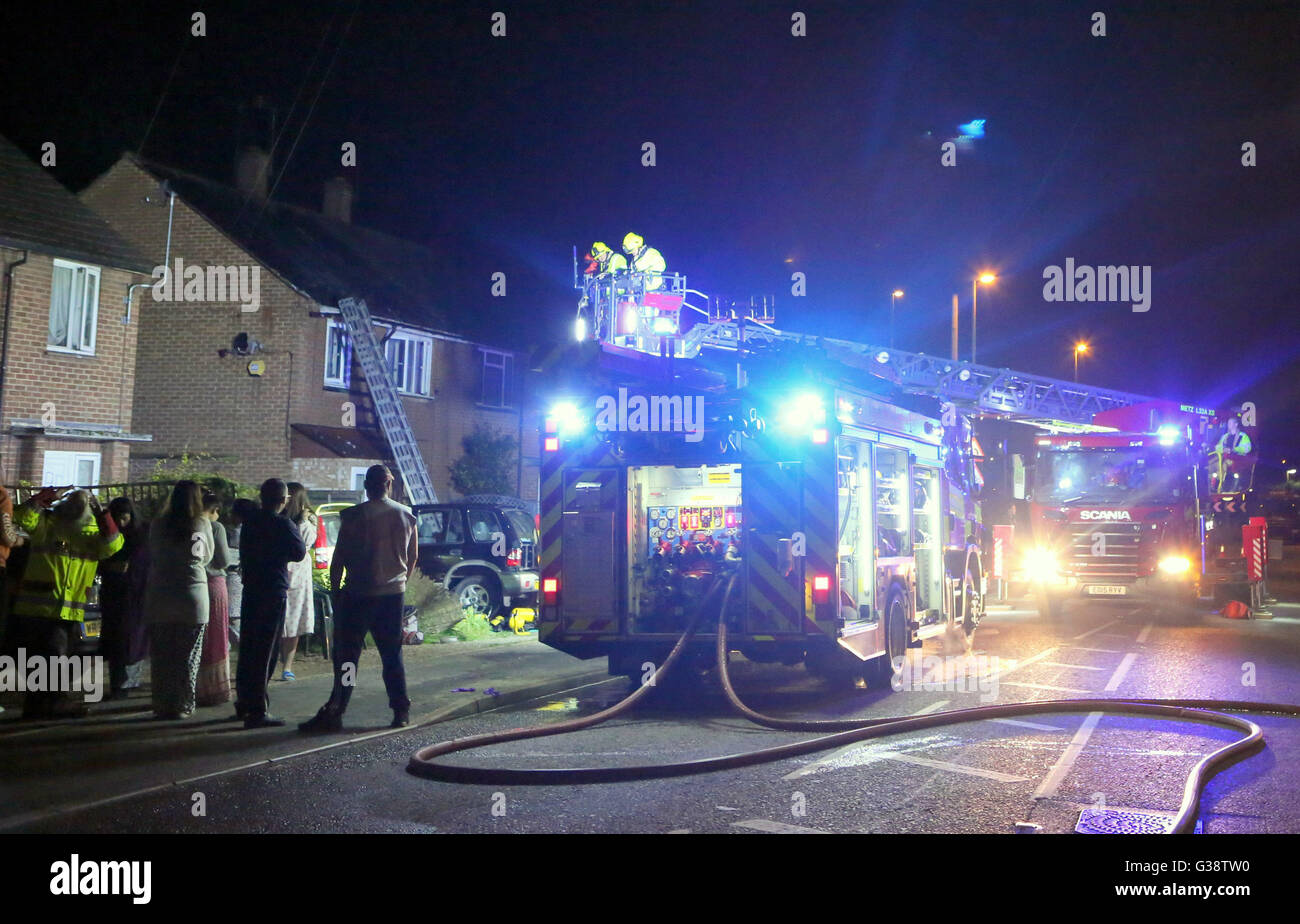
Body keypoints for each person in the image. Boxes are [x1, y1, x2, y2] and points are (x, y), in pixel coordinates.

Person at [300, 465, 417, 733]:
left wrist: (337, 592)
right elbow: (413, 558)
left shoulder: (354, 516)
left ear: (367, 485)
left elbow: (339, 559)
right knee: (392, 656)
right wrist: (400, 581)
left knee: (349, 656)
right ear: (389, 484)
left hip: (358, 595)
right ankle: (400, 710)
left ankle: (338, 708)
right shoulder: (406, 516)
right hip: (392, 596)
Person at [11, 487, 123, 718]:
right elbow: (20, 516)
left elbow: (113, 544)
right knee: (50, 656)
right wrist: (43, 498)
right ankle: (50, 702)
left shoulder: (92, 532)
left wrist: (103, 515)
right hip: (43, 606)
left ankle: (39, 704)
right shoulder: (47, 522)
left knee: (49, 658)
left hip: (63, 608)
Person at [234, 478, 306, 729]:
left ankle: (243, 702)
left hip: (251, 589)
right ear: (283, 500)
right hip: (272, 590)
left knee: (249, 648)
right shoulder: (282, 523)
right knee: (266, 650)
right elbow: (299, 552)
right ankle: (257, 709)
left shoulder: (250, 523)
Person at [145, 481, 213, 720]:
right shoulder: (200, 523)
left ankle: (162, 703)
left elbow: (153, 553)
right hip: (192, 591)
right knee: (188, 654)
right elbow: (207, 556)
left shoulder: (158, 524)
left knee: (163, 654)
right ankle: (183, 703)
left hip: (161, 591)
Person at [98, 497, 145, 698]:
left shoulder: (141, 536)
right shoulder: (110, 535)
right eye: (117, 519)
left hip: (133, 593)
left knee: (131, 638)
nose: (121, 524)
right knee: (117, 639)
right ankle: (120, 684)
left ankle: (127, 682)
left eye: (125, 518)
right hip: (114, 592)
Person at [195, 493, 233, 706]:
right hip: (215, 583)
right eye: (216, 511)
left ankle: (194, 685)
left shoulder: (182, 525)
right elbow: (224, 560)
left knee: (198, 637)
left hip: (194, 584)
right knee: (217, 635)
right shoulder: (215, 528)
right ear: (211, 509)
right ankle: (215, 688)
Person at [279, 483, 317, 680]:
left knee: (294, 620)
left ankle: (288, 665)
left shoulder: (308, 520)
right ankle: (278, 658)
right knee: (280, 618)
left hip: (299, 574)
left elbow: (304, 544)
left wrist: (302, 522)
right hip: (281, 572)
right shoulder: (279, 518)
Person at [227, 498, 258, 646]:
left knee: (233, 616)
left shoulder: (234, 532)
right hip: (245, 577)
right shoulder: (256, 530)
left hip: (234, 576)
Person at [1210, 416, 1253, 491]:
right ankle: (1210, 484)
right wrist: (1223, 449)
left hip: (1237, 459)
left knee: (1222, 465)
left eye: (1230, 423)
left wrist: (1233, 450)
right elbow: (1218, 447)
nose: (1228, 424)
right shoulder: (1225, 436)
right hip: (1224, 457)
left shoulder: (1243, 436)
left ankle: (1219, 485)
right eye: (1228, 423)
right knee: (1211, 463)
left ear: (1236, 424)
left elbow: (1247, 448)